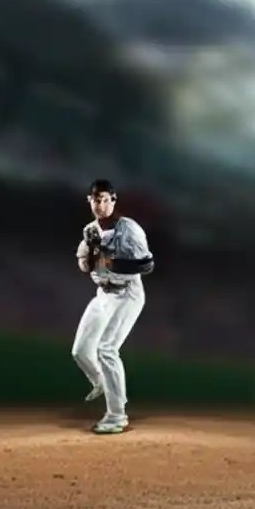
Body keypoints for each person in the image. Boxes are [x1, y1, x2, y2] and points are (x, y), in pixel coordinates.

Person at [72, 179, 154, 435]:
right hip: (104, 294)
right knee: (80, 350)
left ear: (113, 200)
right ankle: (101, 382)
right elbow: (86, 267)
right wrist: (91, 257)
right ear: (90, 201)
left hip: (128, 293)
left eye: (105, 199)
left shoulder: (129, 229)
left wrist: (112, 264)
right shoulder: (90, 232)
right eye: (96, 200)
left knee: (106, 348)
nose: (100, 204)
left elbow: (147, 264)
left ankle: (117, 415)